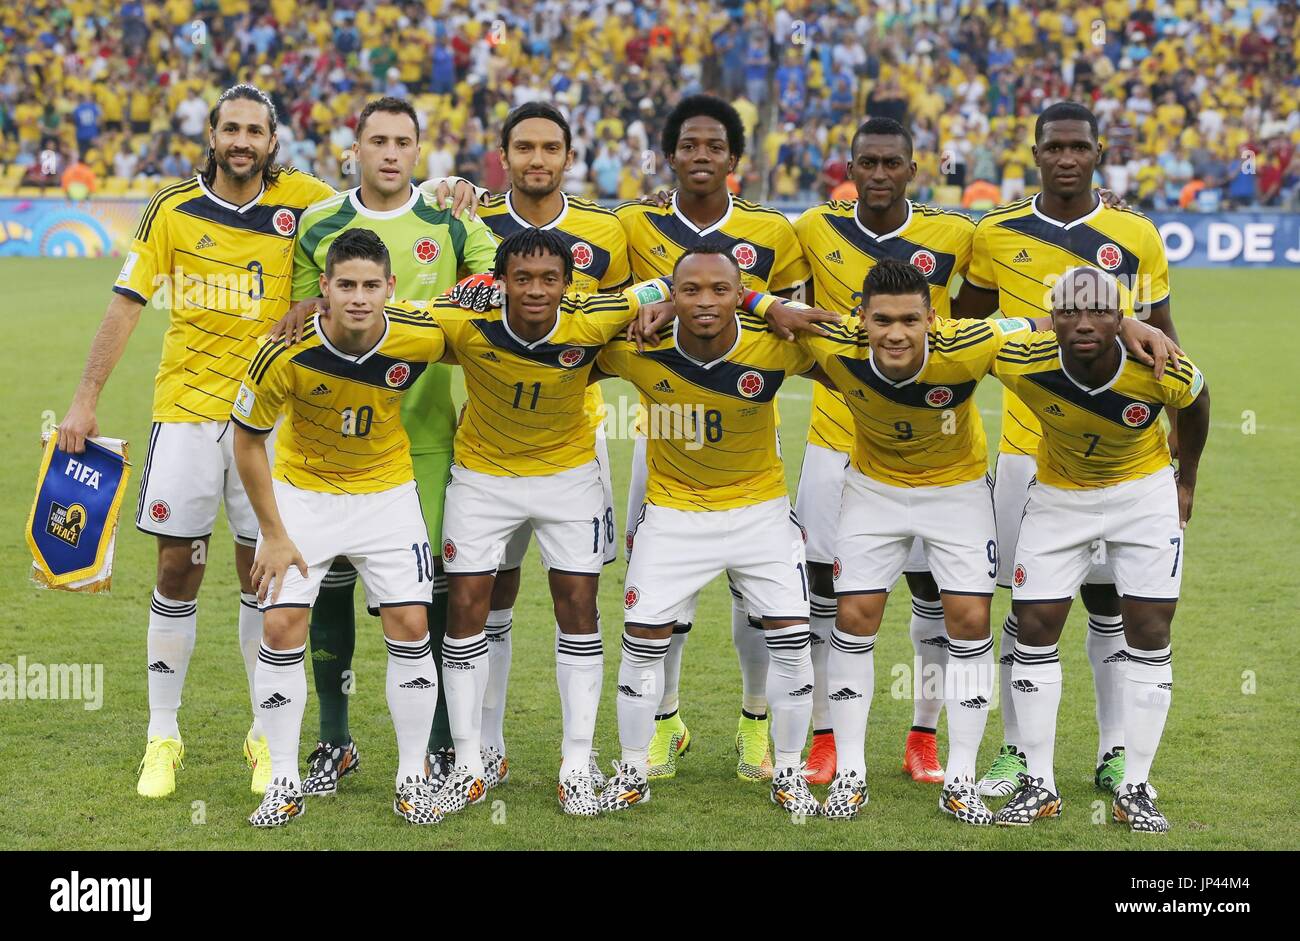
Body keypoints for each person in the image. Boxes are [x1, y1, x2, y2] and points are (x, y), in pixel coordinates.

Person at [797, 259, 1180, 824]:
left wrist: (1127, 326)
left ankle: (960, 778)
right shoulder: (832, 342)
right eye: (882, 320)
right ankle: (851, 774)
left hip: (958, 492)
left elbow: (1052, 324)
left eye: (910, 319)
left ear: (933, 318)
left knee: (972, 621)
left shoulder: (971, 341)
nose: (897, 332)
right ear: (861, 318)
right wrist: (759, 305)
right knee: (853, 617)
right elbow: (738, 311)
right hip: (872, 490)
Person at [57, 84, 334, 800]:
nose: (243, 141)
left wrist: (451, 188)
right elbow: (126, 305)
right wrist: (85, 398)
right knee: (177, 568)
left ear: (274, 142)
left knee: (261, 575)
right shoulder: (172, 209)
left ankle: (265, 737)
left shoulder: (304, 199)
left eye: (256, 131)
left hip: (266, 418)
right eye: (231, 128)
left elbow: (374, 215)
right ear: (212, 134)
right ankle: (162, 734)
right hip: (183, 413)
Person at [954, 100, 1182, 800]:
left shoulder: (1134, 233)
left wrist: (1172, 452)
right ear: (1035, 150)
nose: (1065, 158)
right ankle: (1019, 756)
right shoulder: (994, 233)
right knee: (1027, 613)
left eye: (1078, 147)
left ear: (1098, 152)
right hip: (1028, 452)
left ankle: (1116, 751)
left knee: (1112, 606)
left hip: (1118, 458)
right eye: (1053, 146)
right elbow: (963, 327)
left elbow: (1167, 337)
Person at [281, 97, 496, 798]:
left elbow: (490, 287)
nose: (391, 153)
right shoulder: (321, 224)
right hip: (329, 447)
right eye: (378, 140)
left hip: (423, 439)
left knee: (419, 594)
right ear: (356, 148)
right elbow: (303, 323)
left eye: (404, 141)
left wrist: (438, 312)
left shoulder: (449, 217)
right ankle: (335, 739)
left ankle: (435, 746)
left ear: (421, 149)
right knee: (329, 587)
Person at [424, 229, 671, 818]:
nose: (536, 290)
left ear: (567, 284)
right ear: (501, 281)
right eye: (522, 278)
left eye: (549, 279)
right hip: (482, 479)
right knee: (466, 610)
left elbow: (675, 281)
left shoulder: (592, 317)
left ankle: (577, 763)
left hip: (569, 479)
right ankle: (470, 763)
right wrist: (312, 304)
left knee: (579, 608)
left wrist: (660, 303)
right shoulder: (464, 320)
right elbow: (388, 310)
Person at [426, 102, 631, 789]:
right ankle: (484, 746)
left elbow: (629, 312)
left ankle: (582, 756)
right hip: (488, 439)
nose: (537, 159)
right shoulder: (469, 218)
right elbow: (441, 307)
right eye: (524, 148)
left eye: (550, 147)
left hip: (578, 437)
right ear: (504, 155)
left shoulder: (609, 227)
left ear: (569, 156)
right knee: (489, 596)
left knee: (579, 598)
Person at [615, 94, 812, 784]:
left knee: (754, 595)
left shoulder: (771, 229)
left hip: (750, 431)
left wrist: (739, 300)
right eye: (688, 146)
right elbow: (612, 308)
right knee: (662, 589)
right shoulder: (635, 222)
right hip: (661, 429)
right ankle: (665, 720)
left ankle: (756, 723)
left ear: (734, 157)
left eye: (714, 146)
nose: (701, 156)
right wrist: (656, 302)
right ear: (669, 156)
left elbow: (787, 316)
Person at [592, 245, 820, 818]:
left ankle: (790, 773)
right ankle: (631, 769)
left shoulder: (775, 347)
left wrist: (768, 305)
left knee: (792, 644)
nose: (705, 301)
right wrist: (646, 307)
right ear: (672, 295)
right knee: (643, 645)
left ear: (739, 295)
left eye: (721, 290)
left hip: (760, 514)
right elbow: (572, 332)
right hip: (673, 515)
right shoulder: (639, 350)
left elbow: (858, 346)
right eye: (689, 290)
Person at [232, 228, 448, 828]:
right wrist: (273, 532)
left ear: (391, 289)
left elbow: (480, 338)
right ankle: (281, 781)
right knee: (280, 624)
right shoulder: (283, 348)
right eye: (345, 285)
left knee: (411, 621)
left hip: (387, 495)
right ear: (322, 288)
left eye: (370, 286)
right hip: (305, 495)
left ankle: (413, 779)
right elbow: (247, 442)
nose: (358, 297)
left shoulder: (419, 334)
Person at [989, 266, 1209, 833]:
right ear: (1051, 318)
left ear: (1122, 318)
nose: (1084, 323)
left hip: (1143, 495)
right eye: (1069, 313)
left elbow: (1199, 397)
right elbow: (962, 336)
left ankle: (1135, 786)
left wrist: (1186, 480)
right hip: (1060, 496)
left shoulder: (1157, 362)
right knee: (1033, 623)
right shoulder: (1020, 357)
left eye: (1100, 313)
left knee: (1150, 631)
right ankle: (1039, 784)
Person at [792, 116, 977, 787]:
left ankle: (923, 735)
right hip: (835, 440)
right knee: (824, 593)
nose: (876, 174)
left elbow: (980, 318)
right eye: (865, 162)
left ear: (911, 169)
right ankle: (825, 738)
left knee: (933, 592)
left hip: (931, 448)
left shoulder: (956, 234)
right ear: (849, 165)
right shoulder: (812, 227)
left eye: (890, 163)